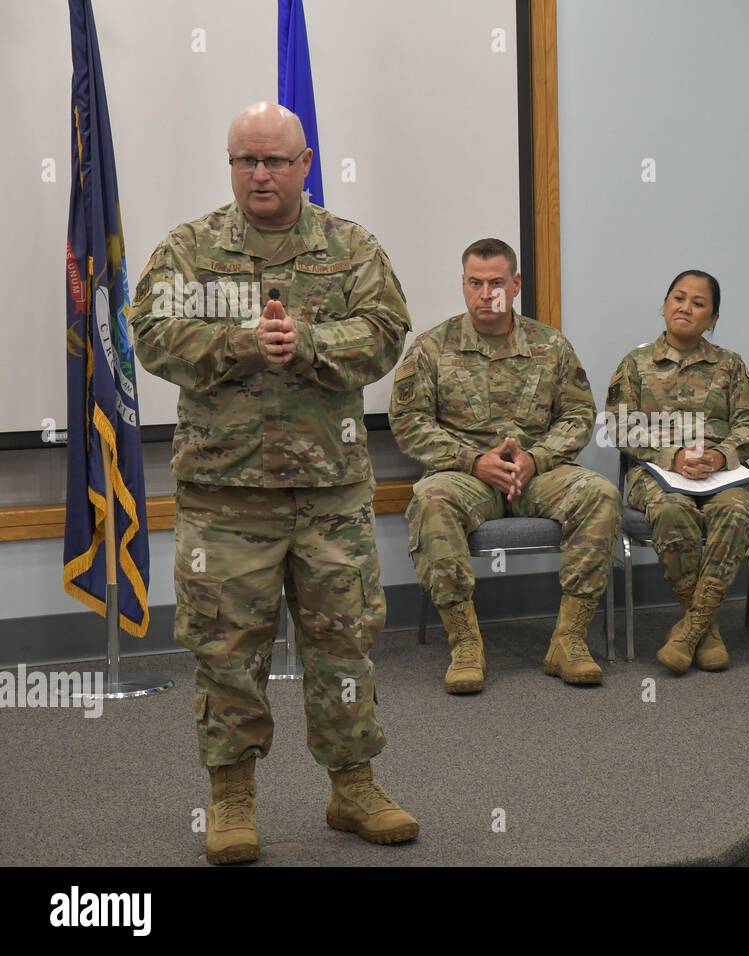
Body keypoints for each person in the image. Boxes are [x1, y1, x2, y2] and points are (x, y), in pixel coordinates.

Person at [129, 102, 418, 865]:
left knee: (343, 645)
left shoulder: (350, 247)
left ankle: (353, 787)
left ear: (304, 164)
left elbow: (386, 331)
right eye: (246, 160)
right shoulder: (189, 249)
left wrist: (310, 342)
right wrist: (242, 342)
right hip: (225, 497)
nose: (260, 174)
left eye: (275, 161)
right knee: (226, 651)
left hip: (330, 494)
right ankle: (231, 798)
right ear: (231, 165)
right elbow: (151, 335)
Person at [390, 238, 620, 693]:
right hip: (465, 477)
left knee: (601, 494)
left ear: (515, 284)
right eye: (475, 283)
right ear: (462, 284)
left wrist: (537, 458)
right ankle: (465, 644)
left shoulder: (550, 345)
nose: (485, 293)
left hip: (537, 474)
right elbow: (408, 421)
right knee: (430, 500)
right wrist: (472, 461)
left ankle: (569, 640)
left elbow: (578, 414)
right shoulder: (432, 347)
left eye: (495, 283)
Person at [605, 270, 749, 673]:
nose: (686, 308)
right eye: (678, 298)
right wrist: (672, 456)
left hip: (721, 472)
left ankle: (692, 629)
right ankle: (707, 631)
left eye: (698, 303)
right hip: (656, 471)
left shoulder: (730, 365)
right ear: (663, 306)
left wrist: (721, 455)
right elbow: (619, 426)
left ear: (712, 319)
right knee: (671, 510)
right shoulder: (636, 364)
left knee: (737, 512)